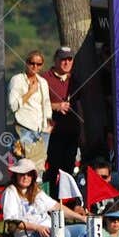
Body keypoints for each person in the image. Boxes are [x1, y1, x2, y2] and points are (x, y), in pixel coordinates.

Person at [1, 159, 88, 237]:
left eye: (29, 174)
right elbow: (12, 222)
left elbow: (56, 207)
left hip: (50, 229)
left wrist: (80, 217)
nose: (26, 177)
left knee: (84, 230)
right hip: (29, 233)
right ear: (16, 175)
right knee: (63, 234)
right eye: (22, 174)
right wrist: (37, 228)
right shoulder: (10, 192)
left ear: (33, 177)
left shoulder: (36, 191)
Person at [44, 46, 82, 181]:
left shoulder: (74, 80)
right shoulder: (44, 79)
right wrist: (55, 106)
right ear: (55, 60)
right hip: (52, 134)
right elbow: (36, 105)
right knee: (53, 170)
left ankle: (66, 196)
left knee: (69, 171)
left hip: (72, 133)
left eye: (69, 59)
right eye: (63, 59)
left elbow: (80, 106)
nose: (67, 63)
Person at [8, 50, 52, 157]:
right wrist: (30, 92)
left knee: (40, 163)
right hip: (24, 128)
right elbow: (12, 106)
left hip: (42, 131)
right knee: (25, 163)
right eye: (32, 63)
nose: (35, 66)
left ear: (42, 65)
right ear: (26, 63)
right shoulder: (17, 80)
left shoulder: (43, 82)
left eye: (38, 64)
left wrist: (49, 124)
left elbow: (46, 104)